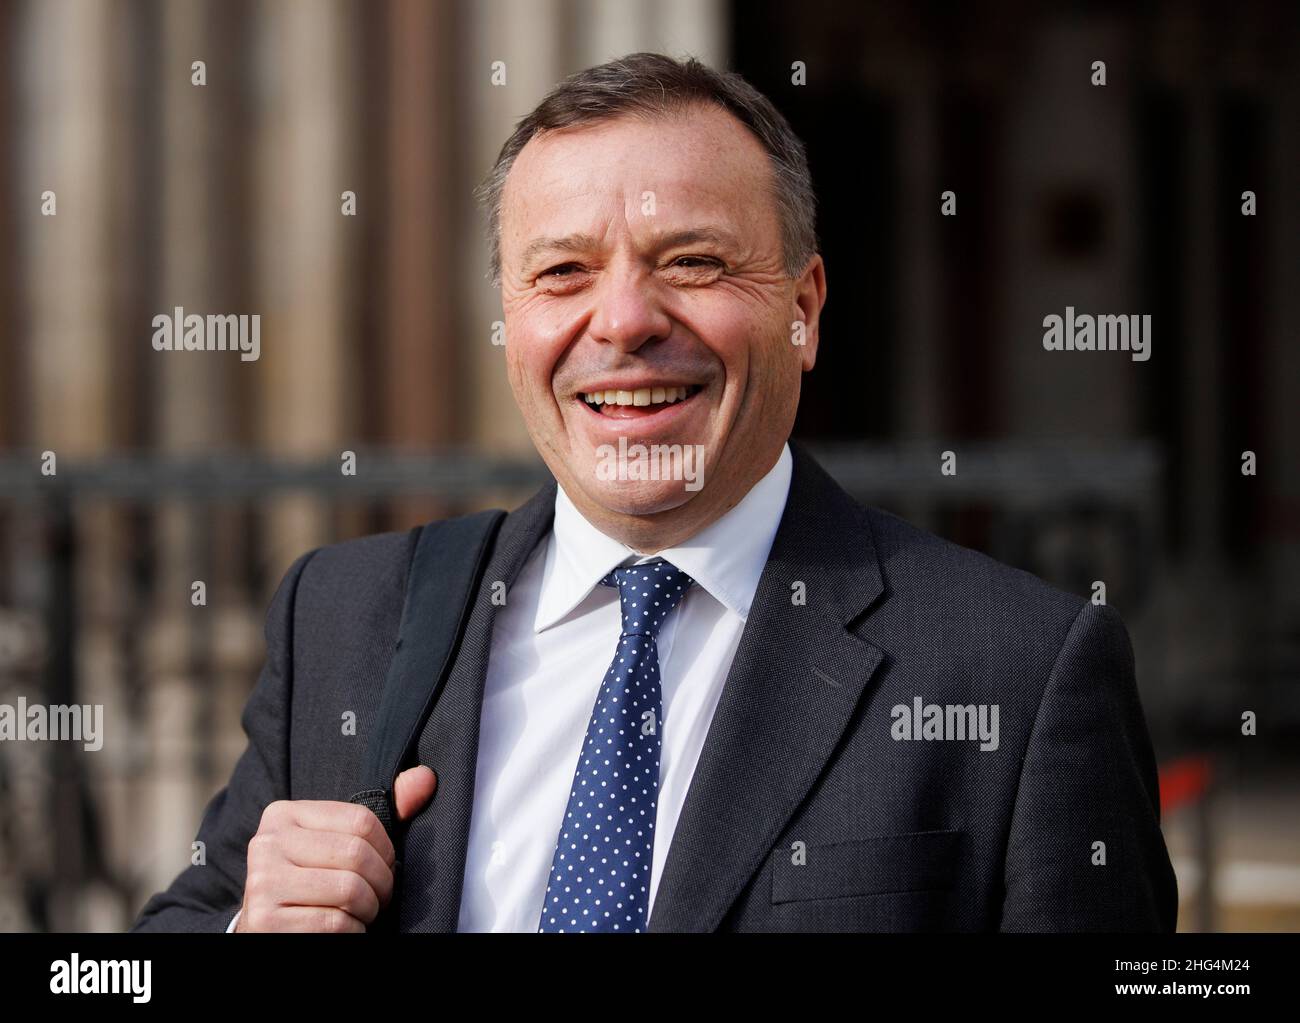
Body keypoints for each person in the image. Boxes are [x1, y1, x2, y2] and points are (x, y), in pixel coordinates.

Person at [132, 52, 1176, 933]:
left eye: (691, 261)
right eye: (562, 273)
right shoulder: (347, 618)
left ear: (803, 309)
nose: (623, 321)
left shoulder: (1019, 671)